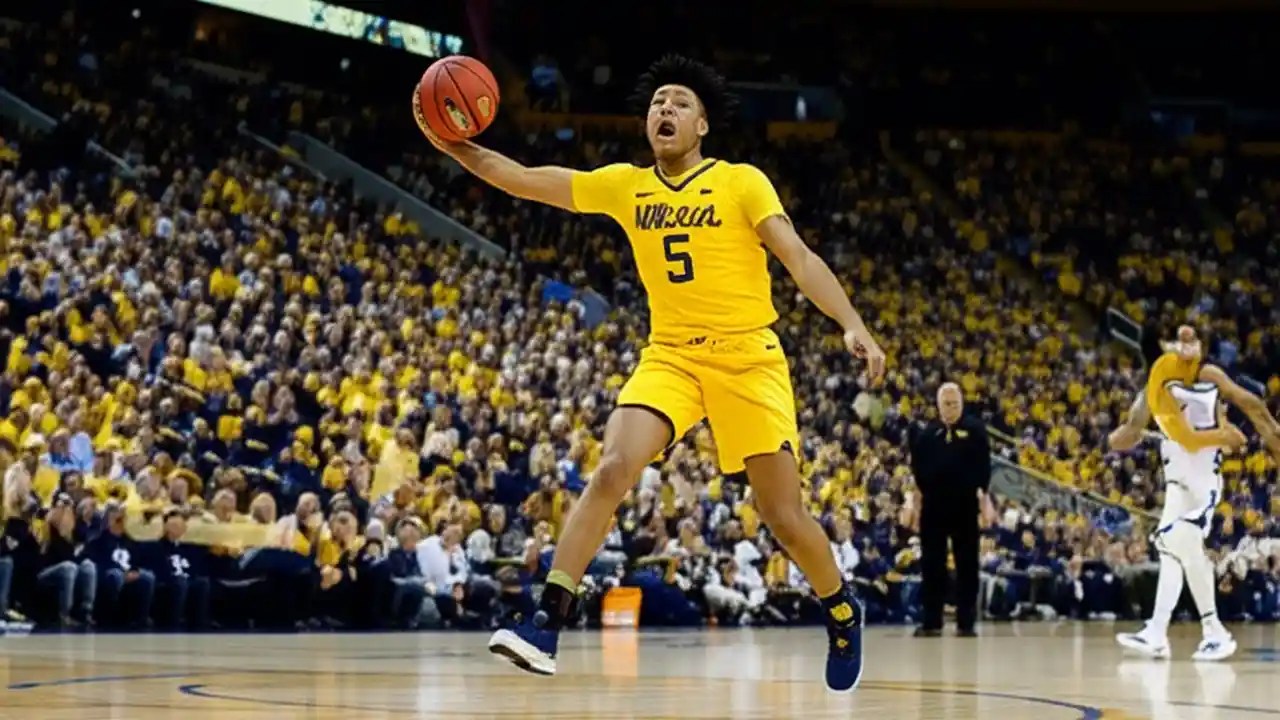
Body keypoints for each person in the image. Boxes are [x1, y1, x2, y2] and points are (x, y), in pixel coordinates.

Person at [421, 54, 885, 692]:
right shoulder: (624, 185)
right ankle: (546, 621)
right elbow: (523, 178)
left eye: (680, 103)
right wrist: (454, 144)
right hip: (671, 355)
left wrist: (851, 322)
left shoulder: (741, 182)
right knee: (612, 468)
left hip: (748, 356)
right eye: (657, 102)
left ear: (702, 128)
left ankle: (840, 607)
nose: (665, 109)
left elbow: (799, 258)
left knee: (780, 513)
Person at [1110, 325, 1280, 661]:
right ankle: (1157, 632)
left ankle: (1215, 630)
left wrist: (1271, 436)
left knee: (1181, 538)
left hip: (1204, 480)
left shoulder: (1208, 374)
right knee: (1172, 552)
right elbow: (1126, 433)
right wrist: (1122, 435)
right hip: (1176, 482)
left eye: (1192, 340)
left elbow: (1253, 406)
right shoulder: (1154, 389)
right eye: (1179, 340)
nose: (1186, 346)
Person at [908, 383, 994, 637]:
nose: (951, 408)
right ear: (938, 406)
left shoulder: (975, 430)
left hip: (965, 504)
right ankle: (931, 620)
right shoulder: (928, 433)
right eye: (946, 404)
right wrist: (918, 498)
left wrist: (983, 495)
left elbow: (984, 464)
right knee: (932, 563)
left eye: (955, 403)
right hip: (934, 505)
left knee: (967, 563)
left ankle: (966, 621)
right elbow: (917, 467)